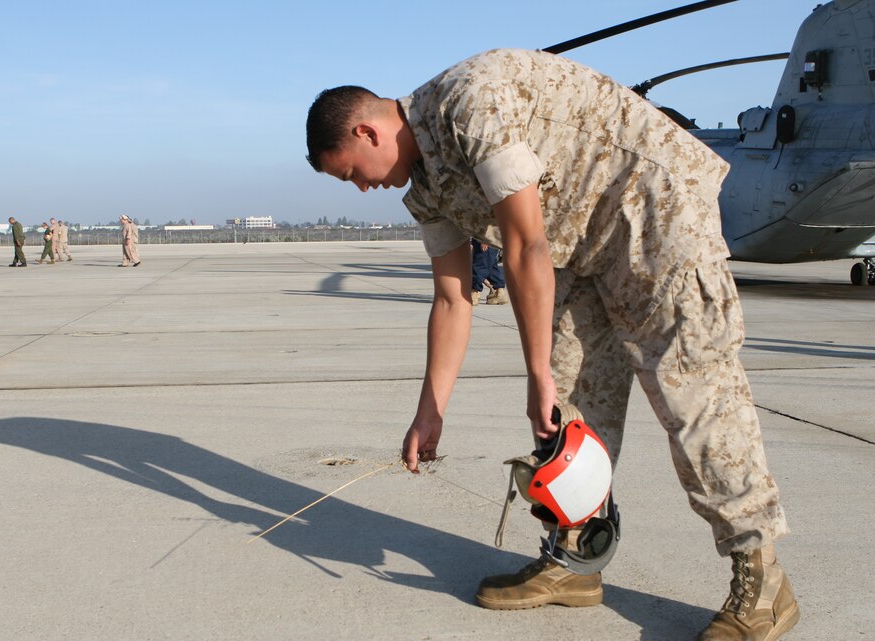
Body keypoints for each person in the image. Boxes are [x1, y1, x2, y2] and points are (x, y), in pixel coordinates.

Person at [306, 49, 797, 641]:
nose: (363, 187)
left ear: (367, 132)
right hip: (582, 249)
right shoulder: (426, 191)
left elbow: (525, 246)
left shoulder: (469, 102)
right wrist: (430, 412)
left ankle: (762, 580)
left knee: (693, 398)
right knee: (567, 411)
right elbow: (453, 299)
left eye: (352, 173)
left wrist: (534, 372)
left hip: (656, 217)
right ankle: (577, 560)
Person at [471, 239, 507, 306]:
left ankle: (474, 293)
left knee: (480, 264)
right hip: (489, 238)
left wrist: (485, 239)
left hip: (485, 237)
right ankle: (498, 292)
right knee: (490, 263)